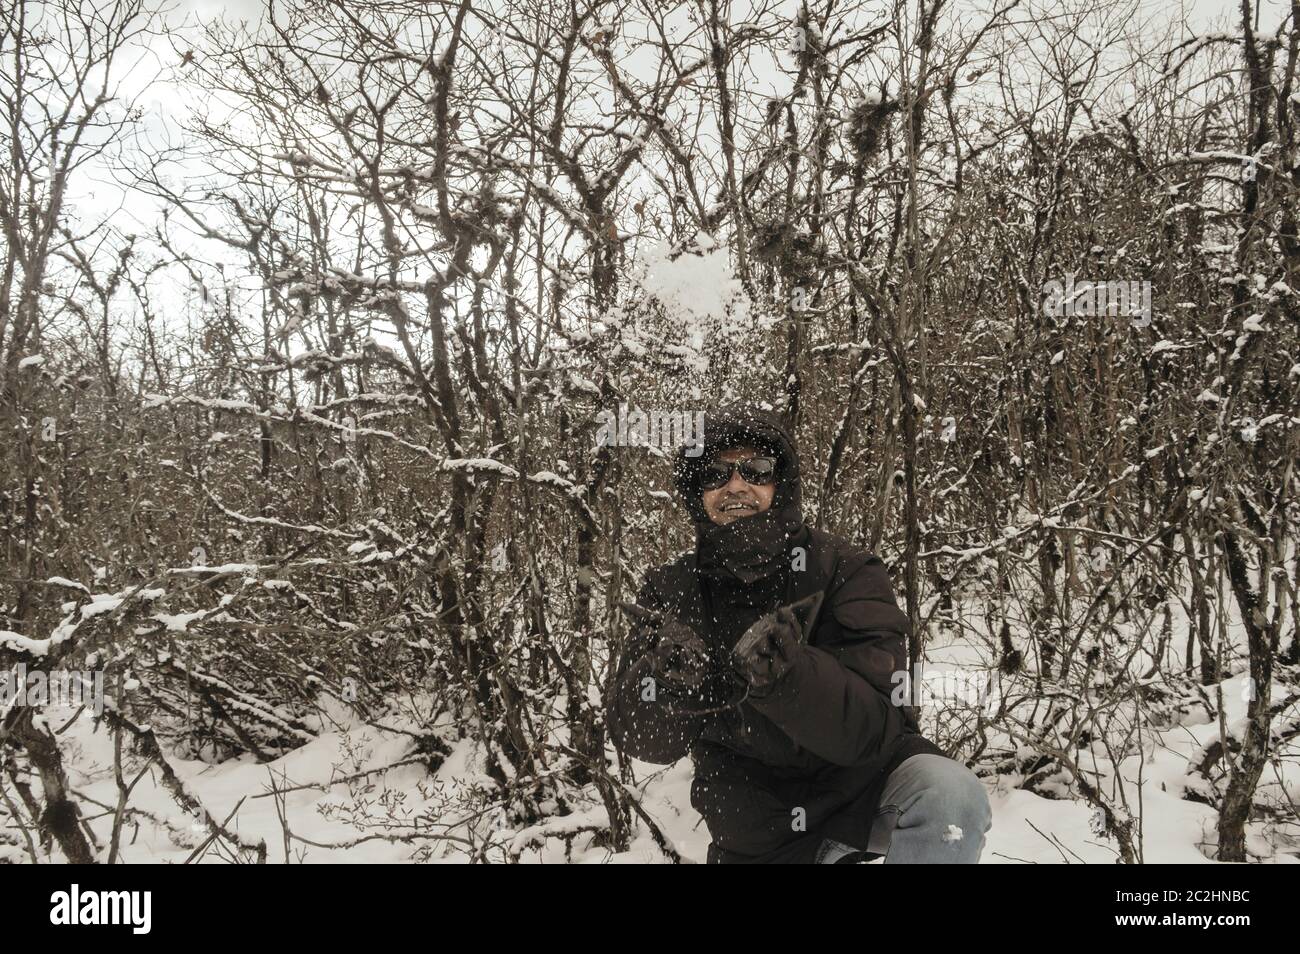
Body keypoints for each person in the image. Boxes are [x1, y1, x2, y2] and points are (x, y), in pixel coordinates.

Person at [606, 403, 992, 863]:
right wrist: (669, 682)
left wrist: (789, 677)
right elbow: (641, 741)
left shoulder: (847, 570)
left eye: (757, 468)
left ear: (780, 482)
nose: (736, 485)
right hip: (755, 823)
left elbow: (878, 727)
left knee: (950, 797)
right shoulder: (671, 589)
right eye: (715, 473)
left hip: (864, 788)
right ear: (697, 492)